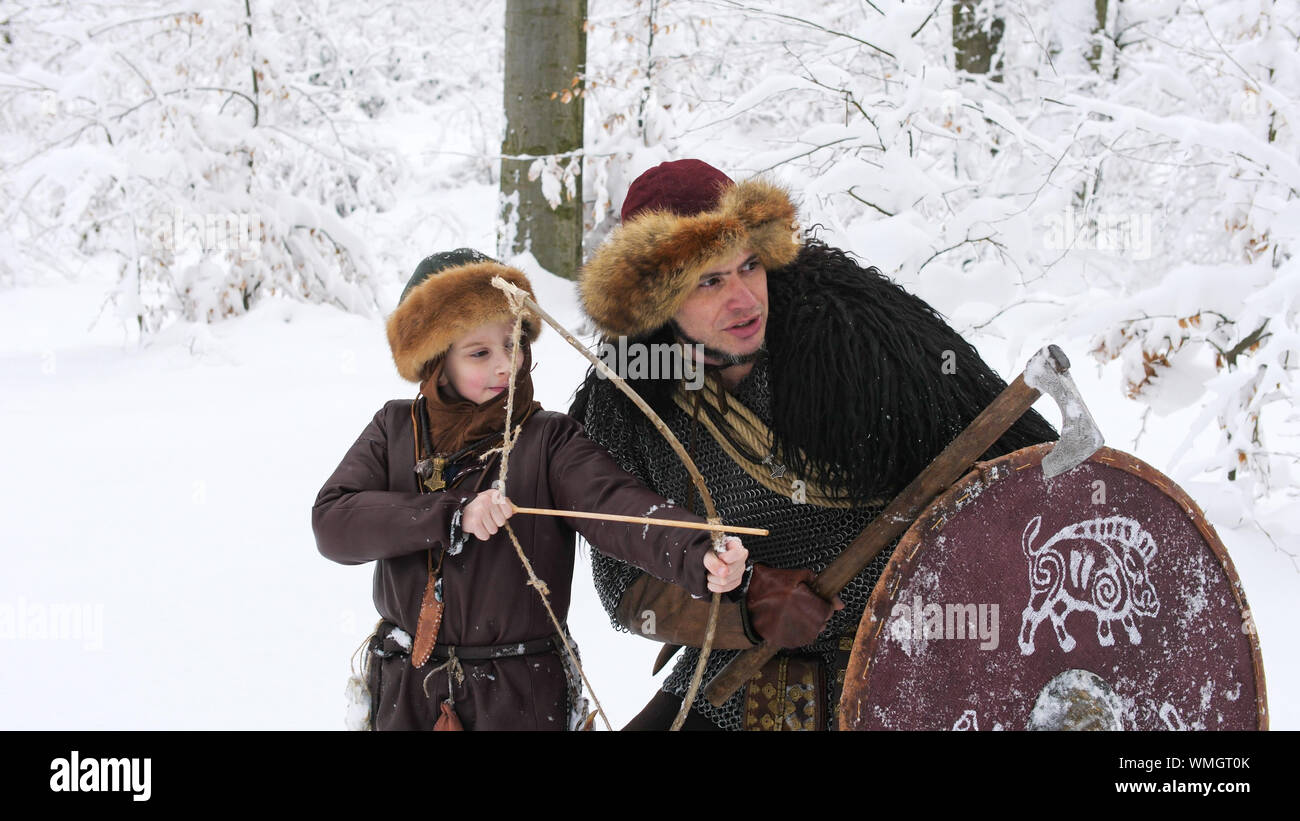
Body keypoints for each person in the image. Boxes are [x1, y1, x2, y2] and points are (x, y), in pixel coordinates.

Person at [569, 159, 1060, 730]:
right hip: (753, 669)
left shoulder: (860, 337)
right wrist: (749, 608)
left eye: (750, 265)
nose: (745, 299)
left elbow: (1020, 486)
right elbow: (631, 591)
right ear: (654, 301)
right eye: (709, 281)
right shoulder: (629, 405)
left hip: (917, 656)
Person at [313, 248, 748, 731]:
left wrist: (696, 551)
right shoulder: (395, 428)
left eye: (514, 342)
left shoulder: (547, 439)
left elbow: (615, 505)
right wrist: (451, 515)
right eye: (480, 352)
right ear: (436, 361)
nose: (506, 365)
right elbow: (333, 522)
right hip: (407, 690)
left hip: (520, 694)